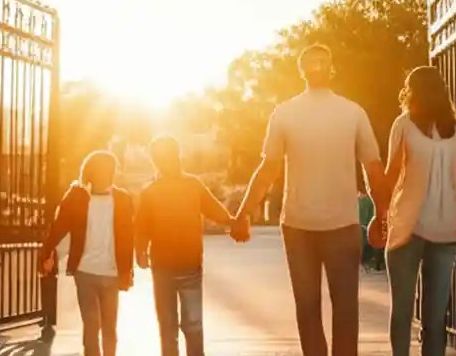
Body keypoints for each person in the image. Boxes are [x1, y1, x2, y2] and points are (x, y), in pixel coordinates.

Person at [234, 44, 388, 356]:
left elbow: (268, 169)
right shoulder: (352, 112)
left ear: (302, 72)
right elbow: (372, 168)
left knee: (307, 308)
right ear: (330, 69)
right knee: (345, 309)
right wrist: (381, 214)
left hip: (299, 226)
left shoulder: (285, 112)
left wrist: (243, 214)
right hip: (339, 225)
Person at [376, 66, 456, 356]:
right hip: (439, 229)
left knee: (410, 313)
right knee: (430, 316)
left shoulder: (405, 125)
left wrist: (380, 214)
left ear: (412, 92)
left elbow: (391, 176)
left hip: (410, 228)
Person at [135, 136, 243, 356]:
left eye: (168, 157)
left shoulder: (192, 186)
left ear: (177, 156)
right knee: (170, 325)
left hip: (188, 265)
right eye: (160, 159)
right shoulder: (151, 191)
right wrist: (140, 250)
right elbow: (142, 226)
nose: (165, 162)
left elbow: (213, 208)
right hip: (164, 267)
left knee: (189, 324)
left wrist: (233, 222)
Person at [39, 151, 134, 356]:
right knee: (91, 325)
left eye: (109, 171)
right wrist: (47, 253)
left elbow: (128, 238)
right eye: (101, 171)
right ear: (91, 173)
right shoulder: (77, 197)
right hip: (85, 272)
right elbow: (58, 226)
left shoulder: (123, 199)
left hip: (111, 273)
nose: (106, 175)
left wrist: (127, 271)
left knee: (109, 328)